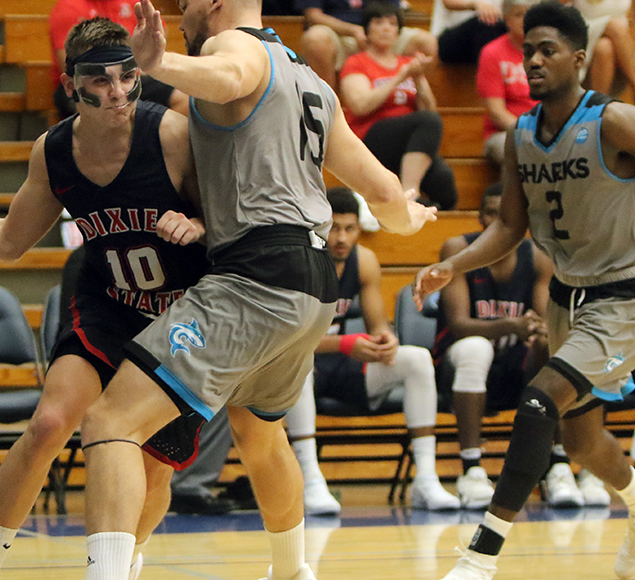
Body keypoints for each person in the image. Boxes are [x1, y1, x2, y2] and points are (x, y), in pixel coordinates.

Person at [79, 0, 437, 578]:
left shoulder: (231, 48)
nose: (183, 10)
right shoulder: (312, 80)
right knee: (260, 433)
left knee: (110, 422)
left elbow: (229, 75)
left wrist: (161, 61)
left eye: (189, 3)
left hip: (256, 277)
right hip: (313, 284)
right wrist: (412, 222)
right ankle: (294, 571)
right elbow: (389, 198)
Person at [0, 17, 212, 580]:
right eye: (101, 80)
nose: (116, 91)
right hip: (108, 302)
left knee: (154, 468)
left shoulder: (172, 134)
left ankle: (122, 561)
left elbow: (236, 219)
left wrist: (198, 225)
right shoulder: (54, 151)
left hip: (180, 316)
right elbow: (8, 240)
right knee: (48, 424)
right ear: (72, 86)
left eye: (126, 76)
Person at [413, 3, 635, 578]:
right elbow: (511, 227)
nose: (534, 60)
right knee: (583, 442)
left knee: (537, 403)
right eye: (528, 51)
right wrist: (450, 266)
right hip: (566, 298)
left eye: (548, 51)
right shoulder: (521, 137)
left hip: (622, 302)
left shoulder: (612, 121)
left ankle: (479, 560)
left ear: (580, 60)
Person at [433, 182, 610, 510]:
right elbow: (458, 325)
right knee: (476, 348)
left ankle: (558, 466)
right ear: (480, 219)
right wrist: (509, 325)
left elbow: (543, 320)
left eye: (508, 215)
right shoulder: (456, 247)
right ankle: (471, 471)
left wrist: (539, 331)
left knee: (555, 347)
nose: (500, 221)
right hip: (459, 364)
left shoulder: (539, 257)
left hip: (518, 365)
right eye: (491, 213)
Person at [285, 187, 460, 515]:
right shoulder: (301, 260)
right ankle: (310, 479)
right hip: (302, 364)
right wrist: (346, 344)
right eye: (333, 227)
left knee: (417, 359)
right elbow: (287, 339)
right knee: (301, 362)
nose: (340, 237)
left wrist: (385, 339)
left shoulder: (363, 260)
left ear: (358, 229)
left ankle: (426, 479)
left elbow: (377, 324)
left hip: (345, 364)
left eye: (349, 229)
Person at [339, 2, 458, 210]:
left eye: (392, 23)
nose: (386, 28)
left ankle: (418, 211)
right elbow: (360, 106)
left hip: (407, 144)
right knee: (426, 122)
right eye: (379, 22)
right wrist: (399, 77)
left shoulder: (407, 63)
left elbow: (430, 112)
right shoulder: (357, 62)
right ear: (367, 29)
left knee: (445, 185)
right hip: (371, 137)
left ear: (398, 31)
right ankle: (409, 192)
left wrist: (419, 78)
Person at [49, 0, 190, 118]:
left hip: (133, 76)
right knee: (93, 98)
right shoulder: (68, 8)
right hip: (88, 80)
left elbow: (157, 36)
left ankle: (153, 144)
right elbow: (71, 67)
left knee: (184, 98)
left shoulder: (133, 2)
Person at [298, 0, 438, 90]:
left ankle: (414, 99)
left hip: (379, 26)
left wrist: (375, 30)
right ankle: (328, 106)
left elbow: (391, 11)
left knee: (427, 43)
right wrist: (353, 30)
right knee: (315, 39)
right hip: (339, 32)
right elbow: (313, 16)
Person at [475, 0, 538, 168]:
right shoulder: (492, 53)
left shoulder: (550, 52)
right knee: (521, 149)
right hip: (504, 134)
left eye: (530, 13)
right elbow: (497, 113)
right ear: (506, 19)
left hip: (548, 131)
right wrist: (533, 134)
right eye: (519, 14)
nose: (526, 20)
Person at [569, 0, 635, 98]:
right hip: (584, 29)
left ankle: (597, 106)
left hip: (616, 42)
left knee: (604, 47)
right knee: (615, 26)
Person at [430, 0, 507, 65]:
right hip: (450, 37)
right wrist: (475, 4)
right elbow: (448, 2)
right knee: (484, 24)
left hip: (490, 34)